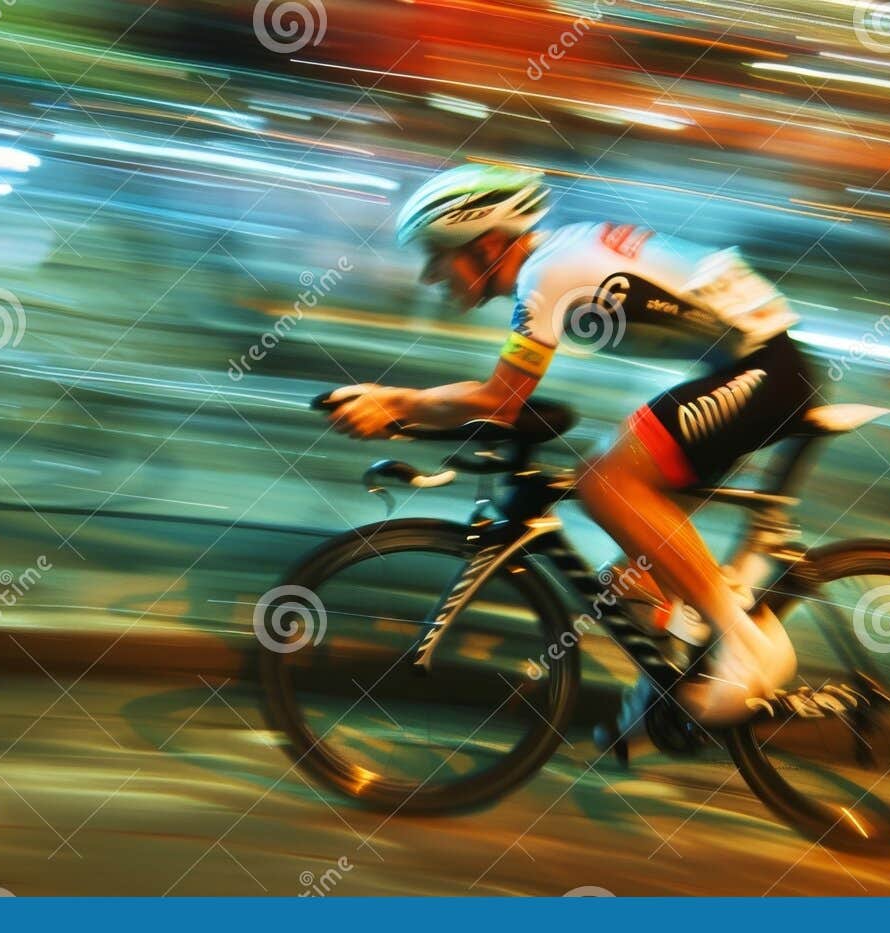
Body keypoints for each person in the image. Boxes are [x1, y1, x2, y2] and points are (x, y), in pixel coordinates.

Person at [325, 163, 821, 728]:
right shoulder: (555, 260)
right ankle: (668, 700)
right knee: (626, 585)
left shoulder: (548, 272)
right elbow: (506, 400)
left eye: (437, 255)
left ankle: (745, 646)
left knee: (605, 483)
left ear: (486, 244)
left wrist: (392, 402)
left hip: (767, 369)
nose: (430, 277)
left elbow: (500, 400)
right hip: (750, 366)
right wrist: (402, 410)